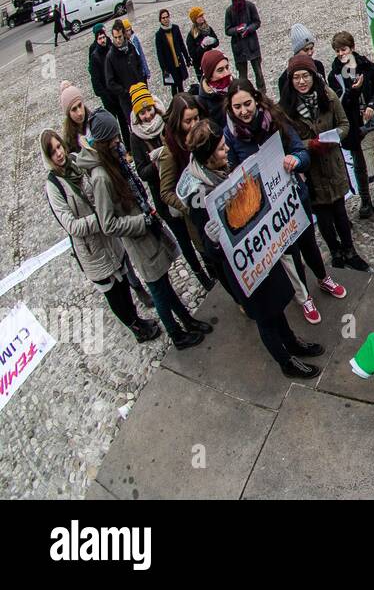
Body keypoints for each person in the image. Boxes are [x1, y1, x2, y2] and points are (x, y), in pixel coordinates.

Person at [176, 120, 324, 378]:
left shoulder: (221, 168)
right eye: (222, 149)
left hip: (261, 255)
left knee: (277, 304)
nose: (226, 151)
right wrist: (212, 239)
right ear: (209, 157)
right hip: (243, 269)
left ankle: (291, 341)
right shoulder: (200, 195)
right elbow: (211, 250)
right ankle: (285, 361)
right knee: (266, 318)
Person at [77, 109, 209, 349]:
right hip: (138, 239)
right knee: (158, 289)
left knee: (164, 282)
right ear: (104, 142)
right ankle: (176, 334)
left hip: (148, 229)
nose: (118, 141)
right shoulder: (101, 177)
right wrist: (141, 222)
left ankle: (187, 320)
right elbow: (108, 224)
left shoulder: (114, 160)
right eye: (114, 138)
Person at [223, 79, 348, 324]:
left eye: (247, 104)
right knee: (289, 253)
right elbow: (233, 172)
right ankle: (303, 296)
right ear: (230, 108)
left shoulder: (276, 119)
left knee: (308, 242)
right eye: (237, 107)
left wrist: (295, 160)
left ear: (256, 100)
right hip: (266, 210)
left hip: (292, 196)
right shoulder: (231, 136)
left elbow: (301, 152)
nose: (244, 111)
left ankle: (323, 278)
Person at [43, 129, 160, 344]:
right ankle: (135, 327)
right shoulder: (54, 186)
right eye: (52, 152)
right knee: (113, 292)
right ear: (48, 157)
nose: (59, 154)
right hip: (92, 249)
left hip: (110, 238)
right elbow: (70, 225)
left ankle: (137, 319)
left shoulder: (76, 163)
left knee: (123, 281)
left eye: (59, 147)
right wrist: (101, 218)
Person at [281, 55, 369, 272]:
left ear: (313, 76)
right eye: (296, 77)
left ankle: (350, 250)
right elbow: (284, 144)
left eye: (305, 76)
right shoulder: (285, 109)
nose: (301, 82)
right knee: (323, 216)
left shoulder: (328, 96)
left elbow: (344, 124)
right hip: (311, 171)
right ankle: (335, 251)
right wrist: (308, 144)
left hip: (333, 163)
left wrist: (333, 136)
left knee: (340, 211)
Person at [127, 82, 216, 292]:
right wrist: (158, 162)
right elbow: (141, 171)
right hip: (167, 198)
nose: (147, 116)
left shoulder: (168, 124)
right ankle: (199, 272)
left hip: (187, 187)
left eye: (149, 110)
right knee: (185, 239)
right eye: (142, 113)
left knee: (200, 233)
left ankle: (212, 268)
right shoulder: (136, 136)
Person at [330, 31, 374, 218]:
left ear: (352, 48)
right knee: (360, 163)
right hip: (353, 126)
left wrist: (373, 106)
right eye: (337, 51)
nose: (341, 54)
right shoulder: (335, 74)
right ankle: (366, 199)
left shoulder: (367, 66)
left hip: (373, 121)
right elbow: (338, 103)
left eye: (343, 49)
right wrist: (353, 92)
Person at [104, 18, 147, 138]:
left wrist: (143, 83)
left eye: (120, 37)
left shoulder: (131, 48)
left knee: (147, 122)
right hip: (127, 100)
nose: (118, 40)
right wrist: (125, 92)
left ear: (124, 35)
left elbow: (139, 66)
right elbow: (110, 82)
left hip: (140, 93)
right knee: (135, 128)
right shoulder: (111, 57)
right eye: (115, 37)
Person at [224, 0, 265, 91]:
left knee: (258, 73)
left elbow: (257, 22)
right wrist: (237, 30)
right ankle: (245, 94)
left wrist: (249, 29)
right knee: (242, 76)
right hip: (239, 47)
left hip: (252, 44)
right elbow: (227, 30)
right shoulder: (229, 11)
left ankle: (262, 93)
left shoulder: (250, 6)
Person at [276, 23, 327, 99]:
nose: (310, 53)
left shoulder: (318, 65)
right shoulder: (284, 78)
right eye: (306, 50)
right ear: (297, 51)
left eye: (311, 48)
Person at [154, 10, 190, 100]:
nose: (166, 19)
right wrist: (164, 69)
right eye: (163, 18)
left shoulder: (175, 28)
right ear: (160, 20)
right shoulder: (159, 35)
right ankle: (176, 103)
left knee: (181, 83)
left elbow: (181, 44)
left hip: (179, 61)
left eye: (167, 17)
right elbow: (160, 53)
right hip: (170, 65)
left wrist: (187, 58)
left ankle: (183, 102)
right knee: (174, 86)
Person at [196, 49, 234, 122]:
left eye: (227, 67)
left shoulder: (236, 86)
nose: (227, 73)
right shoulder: (203, 102)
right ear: (209, 75)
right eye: (220, 70)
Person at [185, 7, 220, 76]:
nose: (202, 18)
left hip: (210, 61)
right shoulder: (191, 35)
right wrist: (202, 46)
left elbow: (217, 43)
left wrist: (213, 41)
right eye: (199, 16)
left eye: (202, 16)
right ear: (195, 19)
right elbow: (193, 55)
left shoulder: (208, 29)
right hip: (200, 65)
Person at [60, 81, 90, 155]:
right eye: (74, 109)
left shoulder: (96, 120)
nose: (79, 113)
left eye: (80, 105)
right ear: (68, 114)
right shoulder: (68, 139)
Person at [120, 18, 151, 83]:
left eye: (129, 30)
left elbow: (141, 54)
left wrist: (146, 70)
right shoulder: (123, 44)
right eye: (126, 31)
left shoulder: (135, 38)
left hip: (142, 71)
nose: (128, 32)